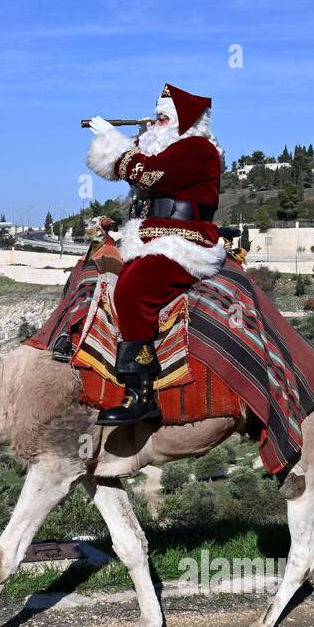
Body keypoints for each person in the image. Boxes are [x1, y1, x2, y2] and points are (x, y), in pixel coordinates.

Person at [85, 84, 227, 425]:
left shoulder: (197, 148)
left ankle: (141, 393)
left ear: (186, 121)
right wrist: (114, 142)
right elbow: (129, 164)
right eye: (156, 115)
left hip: (184, 241)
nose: (154, 121)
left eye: (163, 117)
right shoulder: (167, 146)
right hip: (151, 237)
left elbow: (150, 174)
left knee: (134, 291)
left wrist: (114, 141)